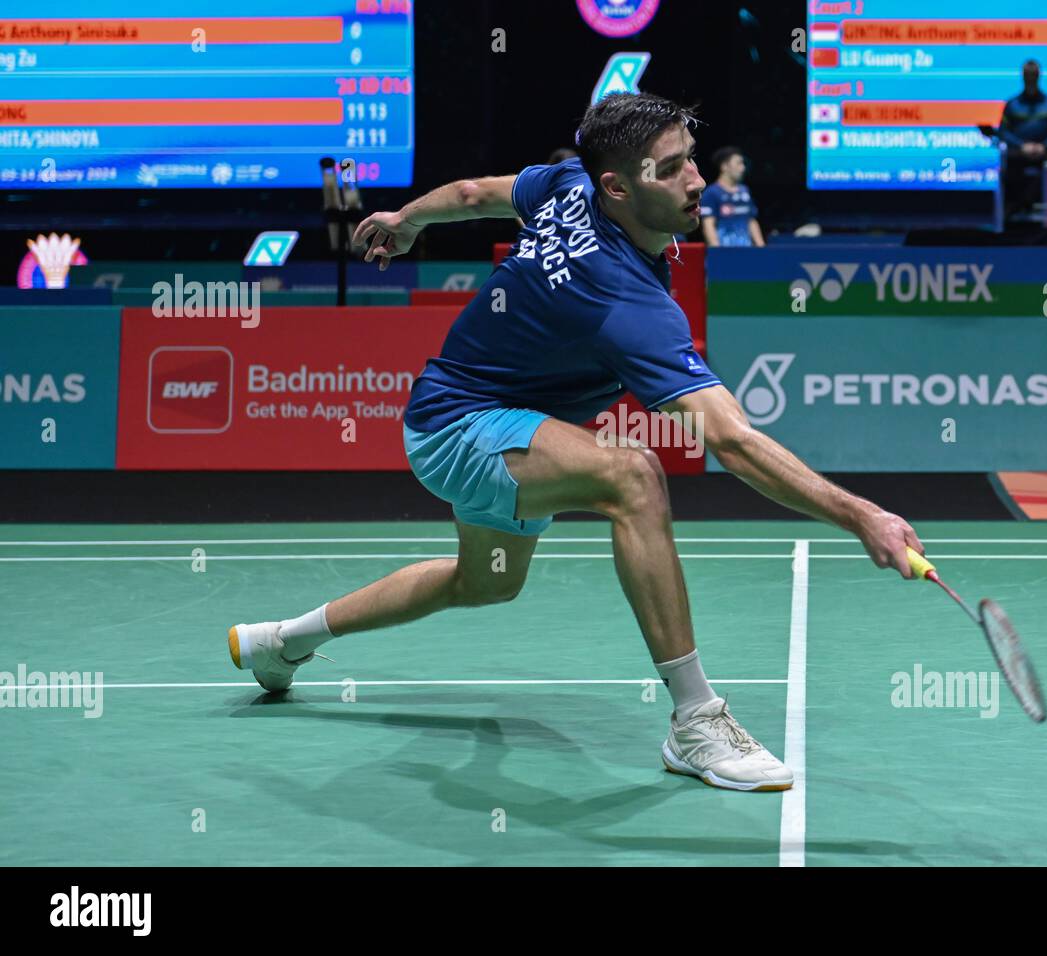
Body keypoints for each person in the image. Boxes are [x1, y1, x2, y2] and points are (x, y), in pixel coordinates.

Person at [226, 92, 923, 793]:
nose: (697, 182)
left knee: (485, 581)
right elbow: (733, 443)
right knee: (632, 477)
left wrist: (407, 220)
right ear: (616, 186)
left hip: (494, 425)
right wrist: (863, 516)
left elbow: (472, 194)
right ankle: (696, 720)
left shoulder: (565, 185)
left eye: (693, 162)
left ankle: (282, 642)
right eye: (672, 168)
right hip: (459, 423)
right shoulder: (625, 304)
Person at [996, 60, 1047, 218]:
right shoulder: (1012, 105)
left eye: (1033, 75)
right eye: (1027, 75)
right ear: (1022, 76)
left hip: (1046, 155)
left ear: (1038, 76)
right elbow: (1003, 132)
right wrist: (1022, 146)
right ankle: (1013, 215)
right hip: (1019, 155)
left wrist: (1044, 146)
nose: (1030, 78)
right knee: (1010, 168)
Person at [699, 147, 765, 247]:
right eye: (738, 163)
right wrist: (717, 251)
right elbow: (708, 225)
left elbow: (751, 221)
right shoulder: (711, 193)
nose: (743, 168)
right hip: (724, 252)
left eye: (743, 164)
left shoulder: (745, 191)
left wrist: (761, 247)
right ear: (724, 166)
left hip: (747, 252)